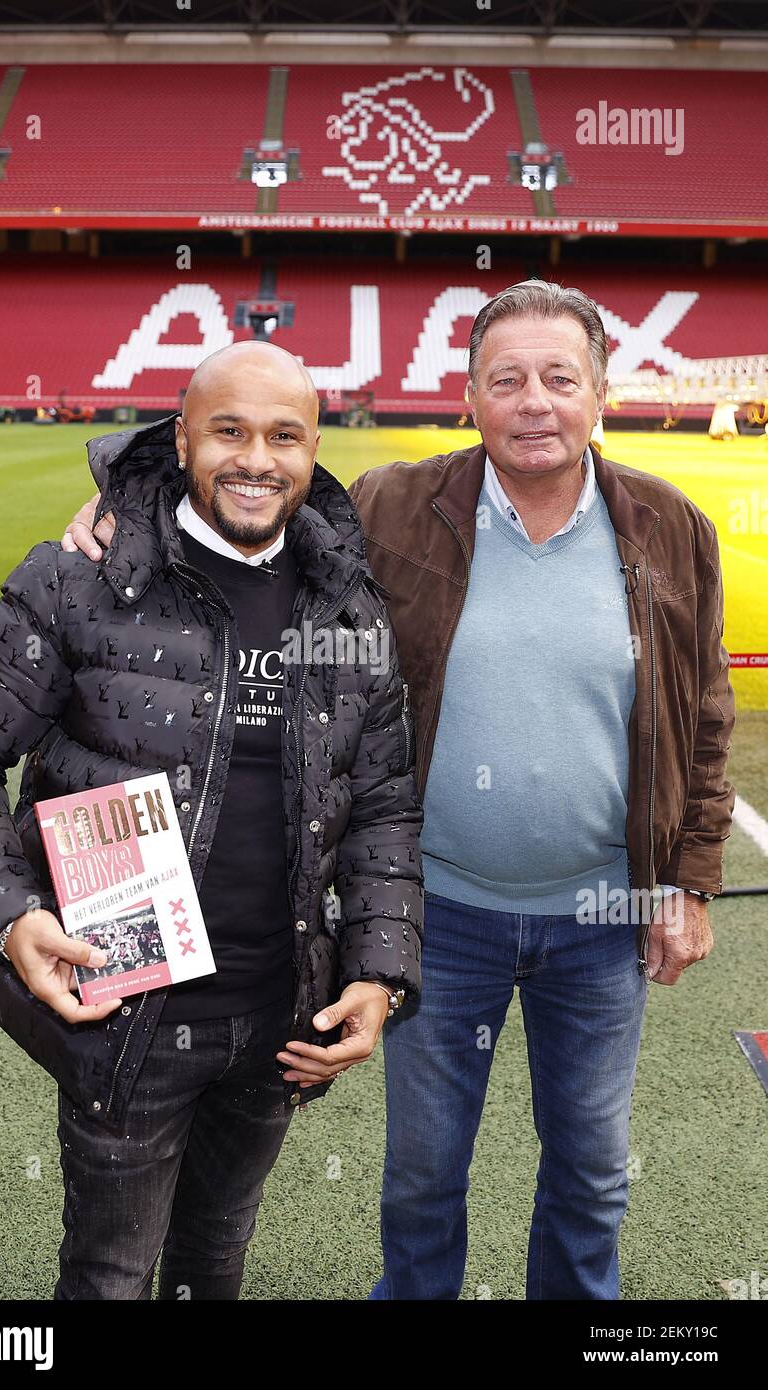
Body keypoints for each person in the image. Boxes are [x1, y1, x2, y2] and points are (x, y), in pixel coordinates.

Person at [63, 281, 735, 1302]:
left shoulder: (671, 527)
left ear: (600, 392)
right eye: (505, 379)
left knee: (593, 1174)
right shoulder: (389, 506)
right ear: (468, 395)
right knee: (424, 1177)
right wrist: (129, 509)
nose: (533, 401)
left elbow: (703, 711)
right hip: (437, 912)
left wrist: (685, 880)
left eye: (559, 378)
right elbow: (254, 520)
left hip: (600, 915)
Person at [0, 340, 423, 1301]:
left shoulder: (349, 606)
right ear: (180, 438)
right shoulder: (77, 578)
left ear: (315, 452)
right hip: (126, 1017)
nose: (256, 459)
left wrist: (381, 971)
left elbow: (385, 806)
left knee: (211, 1268)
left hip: (280, 1021)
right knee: (108, 1277)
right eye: (227, 430)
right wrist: (12, 917)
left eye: (284, 435)